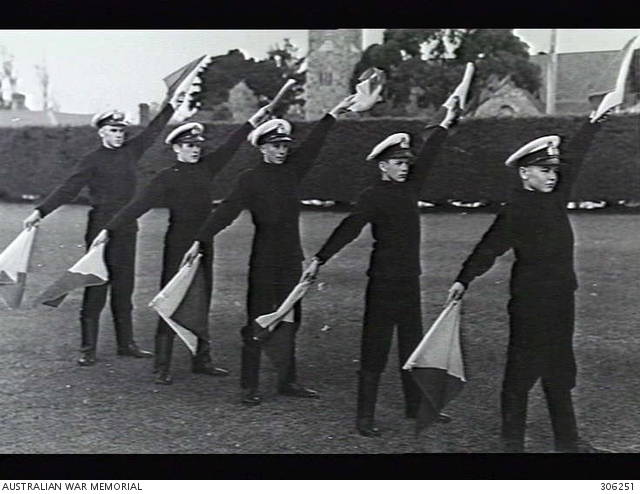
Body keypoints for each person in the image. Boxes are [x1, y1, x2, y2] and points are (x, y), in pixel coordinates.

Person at [445, 112, 610, 453]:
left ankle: (568, 441)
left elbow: (575, 158)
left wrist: (594, 123)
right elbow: (488, 247)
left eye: (554, 170)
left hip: (563, 298)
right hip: (531, 303)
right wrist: (464, 278)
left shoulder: (555, 197)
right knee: (521, 373)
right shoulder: (516, 209)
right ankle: (512, 443)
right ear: (525, 173)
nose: (554, 176)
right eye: (545, 170)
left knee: (559, 369)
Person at [302, 100, 462, 437]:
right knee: (375, 347)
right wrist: (320, 257)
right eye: (398, 163)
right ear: (383, 166)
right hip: (382, 282)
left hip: (409, 281)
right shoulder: (372, 195)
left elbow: (430, 153)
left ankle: (413, 405)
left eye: (406, 162)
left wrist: (446, 123)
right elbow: (348, 229)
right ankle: (364, 416)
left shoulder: (411, 188)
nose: (405, 167)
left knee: (411, 344)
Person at [184, 93, 356, 406]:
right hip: (263, 260)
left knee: (290, 319)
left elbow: (315, 143)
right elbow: (225, 213)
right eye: (275, 146)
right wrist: (200, 239)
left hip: (292, 258)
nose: (281, 151)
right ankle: (248, 386)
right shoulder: (249, 179)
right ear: (262, 146)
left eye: (285, 146)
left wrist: (333, 113)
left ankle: (287, 380)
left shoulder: (292, 171)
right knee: (257, 320)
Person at [91, 104, 272, 385]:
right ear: (176, 148)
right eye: (188, 145)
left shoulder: (207, 168)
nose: (195, 150)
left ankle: (202, 360)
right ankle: (162, 365)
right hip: (177, 245)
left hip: (203, 244)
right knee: (171, 299)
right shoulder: (166, 177)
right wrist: (109, 228)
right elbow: (139, 205)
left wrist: (252, 122)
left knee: (201, 299)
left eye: (197, 145)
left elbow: (231, 145)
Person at [23, 90, 186, 366]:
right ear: (102, 132)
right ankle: (88, 348)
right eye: (113, 130)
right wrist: (41, 211)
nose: (119, 134)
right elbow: (68, 188)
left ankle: (127, 344)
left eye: (121, 129)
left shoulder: (132, 151)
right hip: (99, 227)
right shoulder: (92, 159)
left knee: (124, 287)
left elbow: (154, 131)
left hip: (126, 227)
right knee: (96, 285)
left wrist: (172, 106)